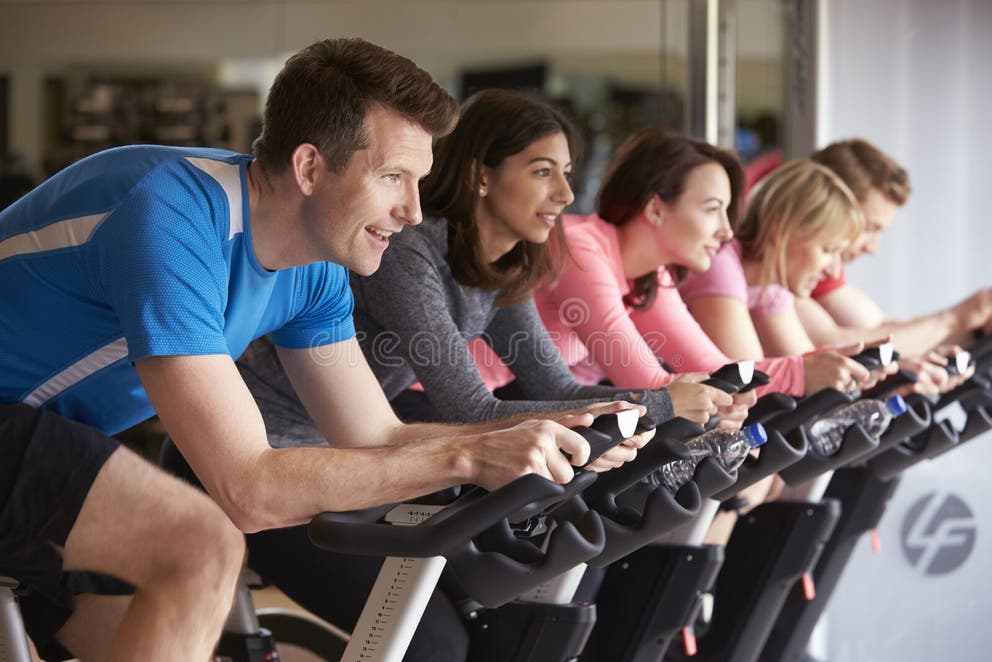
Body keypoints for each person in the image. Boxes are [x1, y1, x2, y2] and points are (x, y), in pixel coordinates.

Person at [0, 38, 601, 661]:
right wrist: (469, 460)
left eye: (418, 180)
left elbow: (373, 435)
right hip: (13, 420)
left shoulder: (314, 270)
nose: (414, 210)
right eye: (393, 177)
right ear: (310, 168)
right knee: (201, 545)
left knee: (151, 627)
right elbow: (249, 490)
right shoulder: (175, 213)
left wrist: (526, 437)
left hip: (43, 433)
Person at [534, 127, 876, 401]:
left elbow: (717, 370)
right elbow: (651, 385)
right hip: (492, 407)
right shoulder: (581, 248)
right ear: (655, 209)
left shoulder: (652, 276)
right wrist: (800, 374)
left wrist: (821, 367)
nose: (726, 231)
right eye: (712, 210)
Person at [798, 139, 991, 392]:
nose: (872, 248)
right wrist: (953, 319)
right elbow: (836, 345)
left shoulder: (825, 272)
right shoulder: (787, 269)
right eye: (869, 229)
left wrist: (974, 329)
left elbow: (877, 329)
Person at [680, 159, 884, 392]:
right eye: (828, 250)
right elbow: (747, 385)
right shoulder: (719, 264)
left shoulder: (770, 289)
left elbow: (810, 365)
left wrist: (856, 369)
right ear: (781, 231)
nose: (834, 271)